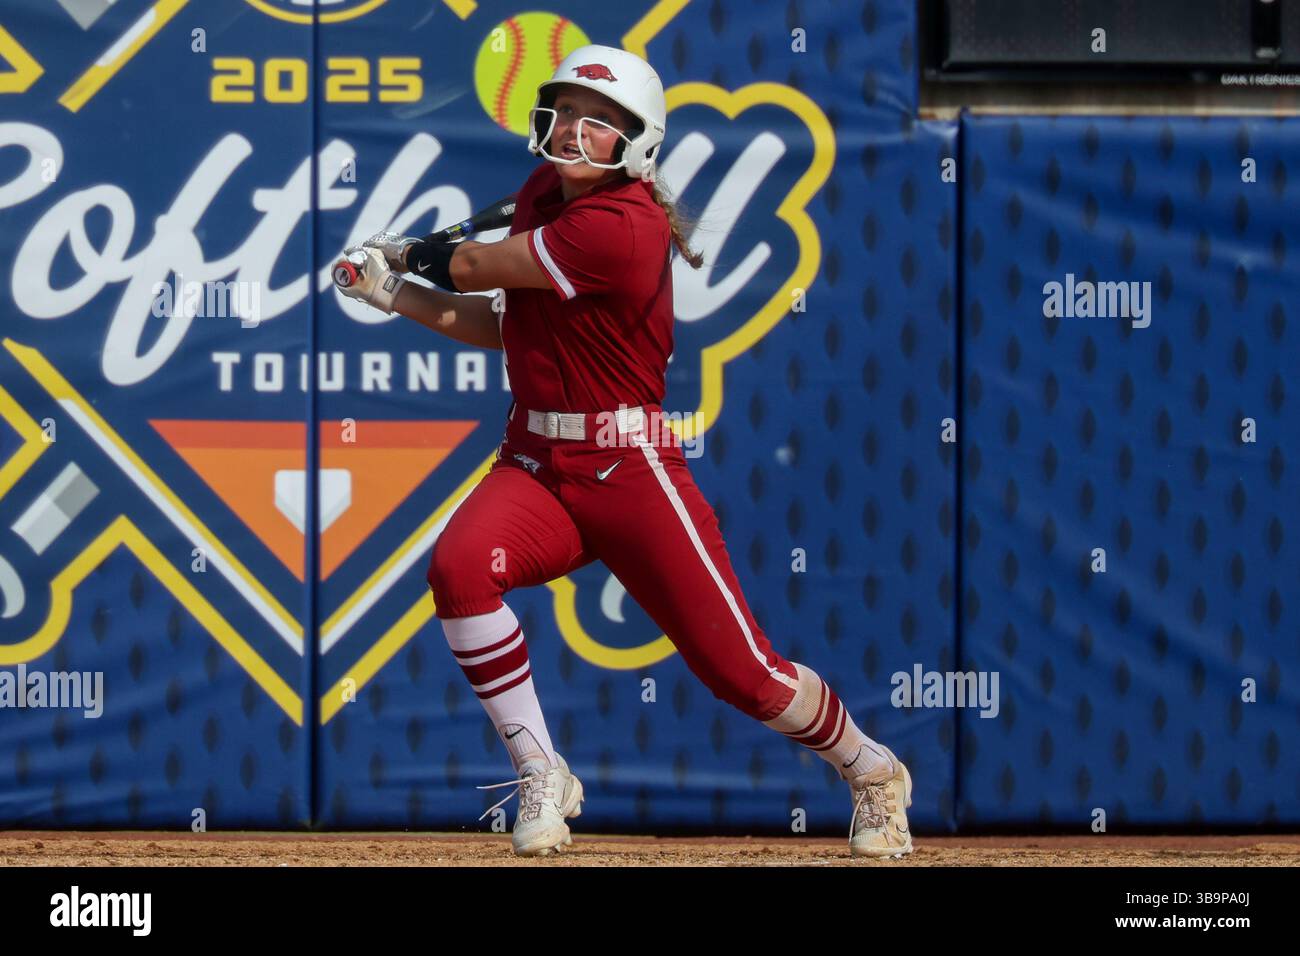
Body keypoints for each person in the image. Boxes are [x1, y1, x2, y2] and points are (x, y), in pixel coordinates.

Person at [333, 44, 913, 859]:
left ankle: (872, 769)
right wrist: (394, 291)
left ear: (636, 143)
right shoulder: (542, 192)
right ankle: (539, 769)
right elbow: (501, 325)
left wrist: (410, 253)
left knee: (744, 676)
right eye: (566, 112)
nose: (573, 130)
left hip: (628, 469)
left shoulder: (622, 224)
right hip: (536, 459)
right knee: (459, 570)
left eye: (598, 122)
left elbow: (470, 264)